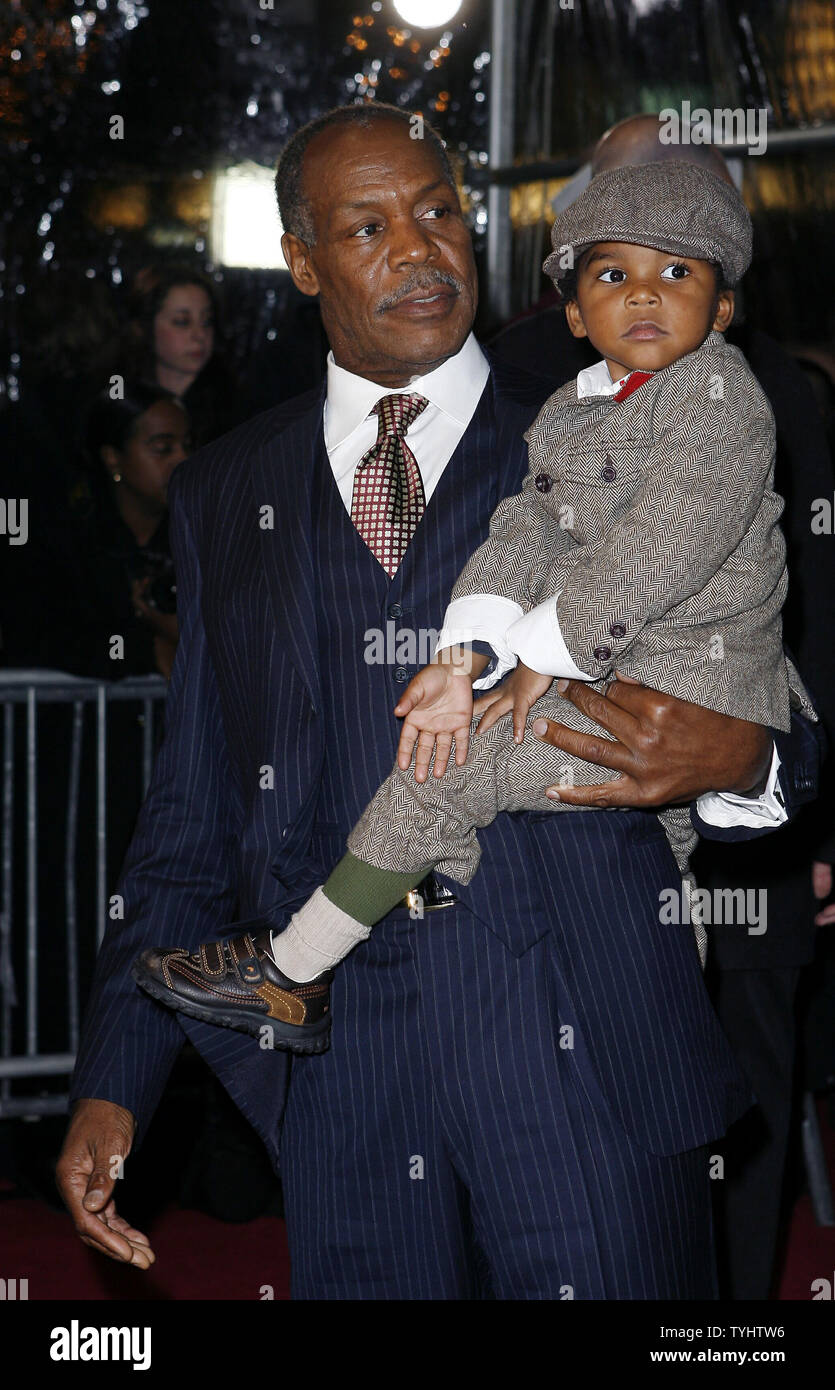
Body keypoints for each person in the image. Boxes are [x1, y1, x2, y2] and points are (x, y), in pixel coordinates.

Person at [58, 104, 821, 1299]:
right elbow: (194, 806)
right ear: (303, 263)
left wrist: (744, 759)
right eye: (368, 226)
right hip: (341, 1073)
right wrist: (115, 1075)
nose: (420, 248)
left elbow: (779, 684)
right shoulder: (224, 492)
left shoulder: (618, 426)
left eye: (436, 211)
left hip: (580, 1048)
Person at [134, 158, 810, 1046]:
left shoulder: (724, 404)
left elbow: (657, 555)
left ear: (722, 308)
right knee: (464, 775)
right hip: (359, 1087)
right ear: (574, 312)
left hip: (663, 711)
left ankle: (294, 970)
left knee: (448, 775)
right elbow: (524, 526)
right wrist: (469, 653)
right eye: (614, 275)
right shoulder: (566, 411)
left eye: (677, 272)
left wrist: (740, 751)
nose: (644, 296)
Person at [489, 111, 835, 1302]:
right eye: (620, 205)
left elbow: (821, 604)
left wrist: (797, 784)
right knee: (580, 1144)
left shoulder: (770, 384)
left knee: (738, 1135)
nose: (649, 235)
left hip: (752, 814)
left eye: (681, 210)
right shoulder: (528, 381)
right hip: (565, 828)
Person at [121, 265, 240, 450]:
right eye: (182, 322)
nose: (199, 335)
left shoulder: (235, 405)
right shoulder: (121, 390)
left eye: (207, 321)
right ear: (145, 327)